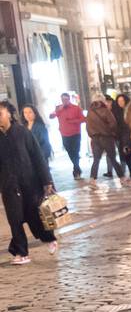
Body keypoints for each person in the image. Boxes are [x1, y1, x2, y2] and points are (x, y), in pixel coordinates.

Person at [0, 101, 58, 264]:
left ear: (9, 114)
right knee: (14, 219)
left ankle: (49, 238)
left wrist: (47, 181)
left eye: (0, 114)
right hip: (9, 186)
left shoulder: (22, 132)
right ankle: (22, 253)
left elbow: (38, 157)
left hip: (30, 183)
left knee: (34, 217)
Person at [86, 98, 124, 182]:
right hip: (107, 137)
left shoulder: (90, 112)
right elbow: (113, 123)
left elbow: (88, 127)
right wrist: (111, 132)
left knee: (96, 159)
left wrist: (92, 135)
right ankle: (122, 177)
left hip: (96, 138)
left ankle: (92, 179)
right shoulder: (105, 110)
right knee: (112, 158)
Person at [50, 92, 86, 179]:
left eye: (66, 99)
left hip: (75, 133)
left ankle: (76, 171)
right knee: (70, 152)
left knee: (76, 152)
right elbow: (51, 116)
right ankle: (77, 167)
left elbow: (83, 119)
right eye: (63, 100)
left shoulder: (76, 108)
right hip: (64, 134)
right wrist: (58, 110)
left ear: (69, 99)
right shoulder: (59, 108)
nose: (64, 101)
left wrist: (72, 121)